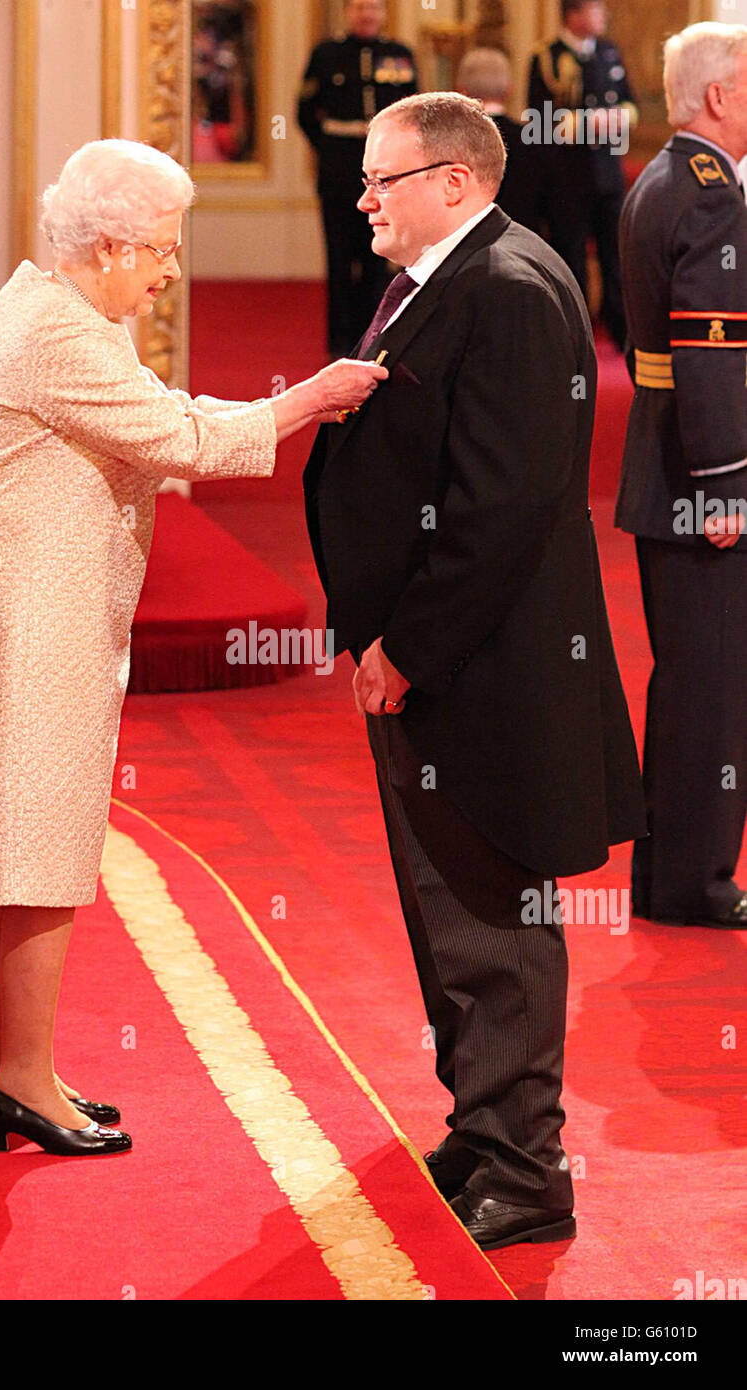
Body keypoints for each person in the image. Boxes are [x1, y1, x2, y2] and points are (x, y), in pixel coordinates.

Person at [0, 138, 386, 1158]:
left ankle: (16, 1067)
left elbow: (163, 417)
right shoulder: (65, 338)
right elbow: (183, 444)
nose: (171, 272)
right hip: (34, 608)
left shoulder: (54, 310)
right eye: (164, 251)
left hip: (26, 597)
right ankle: (26, 1078)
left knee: (30, 840)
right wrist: (312, 396)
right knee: (38, 842)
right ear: (113, 245)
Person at [303, 93, 646, 1250]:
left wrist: (406, 648)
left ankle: (527, 1165)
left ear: (453, 179)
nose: (363, 202)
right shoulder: (460, 272)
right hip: (453, 667)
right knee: (449, 914)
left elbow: (498, 506)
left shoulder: (506, 287)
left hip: (488, 678)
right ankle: (482, 1123)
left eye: (380, 181)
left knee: (493, 919)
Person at [616, 22, 747, 929]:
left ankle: (671, 874)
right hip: (699, 474)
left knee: (689, 679)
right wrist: (725, 484)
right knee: (711, 688)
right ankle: (693, 885)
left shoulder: (663, 178)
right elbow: (710, 351)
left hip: (665, 463)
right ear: (718, 98)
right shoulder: (708, 197)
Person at [297, 0, 417, 358]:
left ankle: (371, 339)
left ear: (383, 14)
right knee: (338, 259)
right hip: (338, 170)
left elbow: (414, 110)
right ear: (347, 12)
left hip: (386, 174)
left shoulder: (399, 53)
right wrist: (331, 149)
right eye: (360, 7)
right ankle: (338, 345)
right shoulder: (326, 53)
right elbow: (304, 112)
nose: (367, 15)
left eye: (374, 8)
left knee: (377, 258)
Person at [528, 0, 636, 347]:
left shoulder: (609, 52)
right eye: (596, 9)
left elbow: (629, 106)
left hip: (608, 175)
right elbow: (539, 123)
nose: (603, 15)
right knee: (570, 257)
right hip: (567, 178)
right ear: (574, 14)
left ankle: (620, 330)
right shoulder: (546, 57)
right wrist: (591, 123)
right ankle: (574, 334)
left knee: (614, 256)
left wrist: (616, 119)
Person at [457, 46, 546, 235]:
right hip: (523, 249)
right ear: (509, 90)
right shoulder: (534, 141)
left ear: (461, 91)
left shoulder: (450, 143)